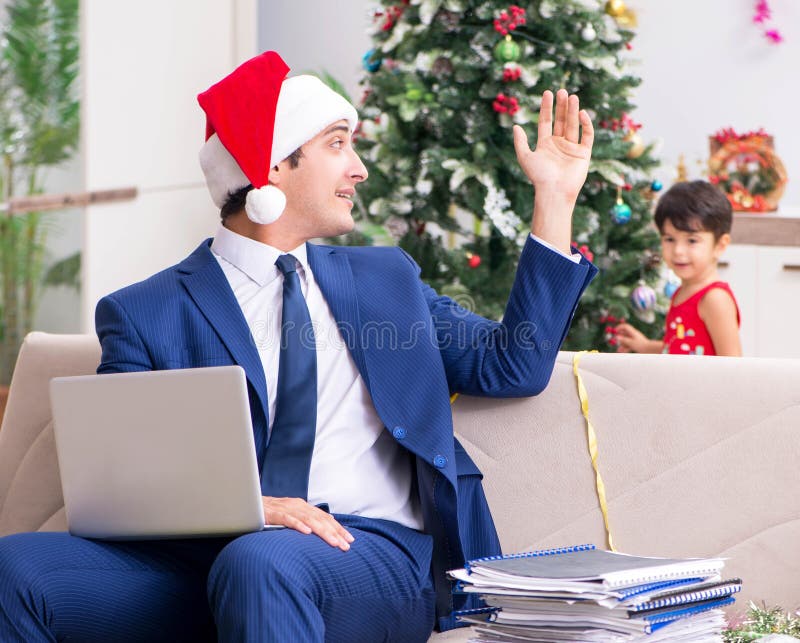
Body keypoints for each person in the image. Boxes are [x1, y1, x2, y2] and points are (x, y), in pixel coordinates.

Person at [0, 51, 597, 642]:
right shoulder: (145, 311)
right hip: (204, 557)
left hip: (367, 551)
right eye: (338, 144)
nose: (359, 168)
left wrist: (555, 198)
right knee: (14, 568)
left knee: (262, 565)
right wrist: (251, 510)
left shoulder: (387, 282)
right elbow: (122, 484)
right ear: (273, 169)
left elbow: (513, 362)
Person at [616, 180, 741, 357]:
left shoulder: (714, 299)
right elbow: (679, 349)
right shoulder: (683, 291)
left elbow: (734, 365)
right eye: (669, 239)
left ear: (720, 245)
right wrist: (645, 346)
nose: (678, 251)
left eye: (692, 241)